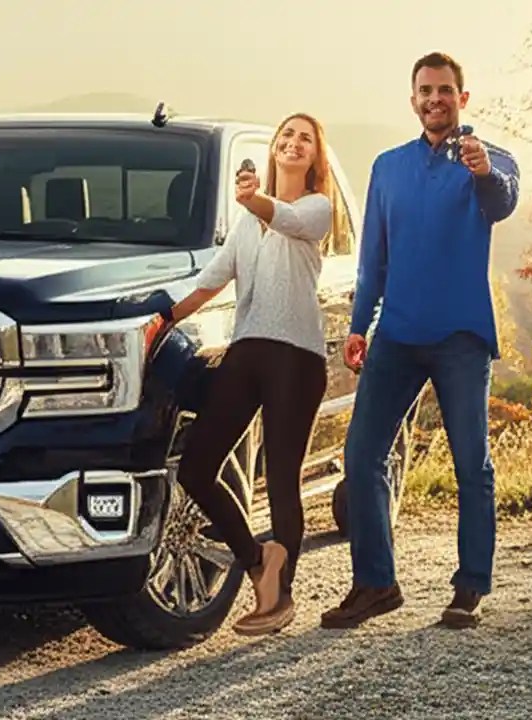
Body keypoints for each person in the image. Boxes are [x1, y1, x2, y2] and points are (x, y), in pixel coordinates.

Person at [319, 52, 521, 630]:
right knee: (361, 456)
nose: (435, 99)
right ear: (414, 100)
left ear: (463, 97)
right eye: (426, 91)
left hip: (461, 336)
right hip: (397, 336)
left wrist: (482, 170)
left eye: (446, 90)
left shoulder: (489, 160)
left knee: (470, 464)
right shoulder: (387, 167)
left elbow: (503, 200)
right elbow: (373, 260)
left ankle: (469, 587)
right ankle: (376, 583)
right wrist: (359, 325)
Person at [133, 113, 336, 636]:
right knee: (197, 468)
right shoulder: (248, 222)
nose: (293, 143)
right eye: (286, 136)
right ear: (274, 148)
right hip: (247, 353)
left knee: (283, 479)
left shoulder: (316, 209)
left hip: (297, 357)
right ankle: (254, 559)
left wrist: (254, 200)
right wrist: (163, 318)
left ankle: (278, 598)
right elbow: (211, 281)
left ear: (314, 157)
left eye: (305, 140)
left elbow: (288, 219)